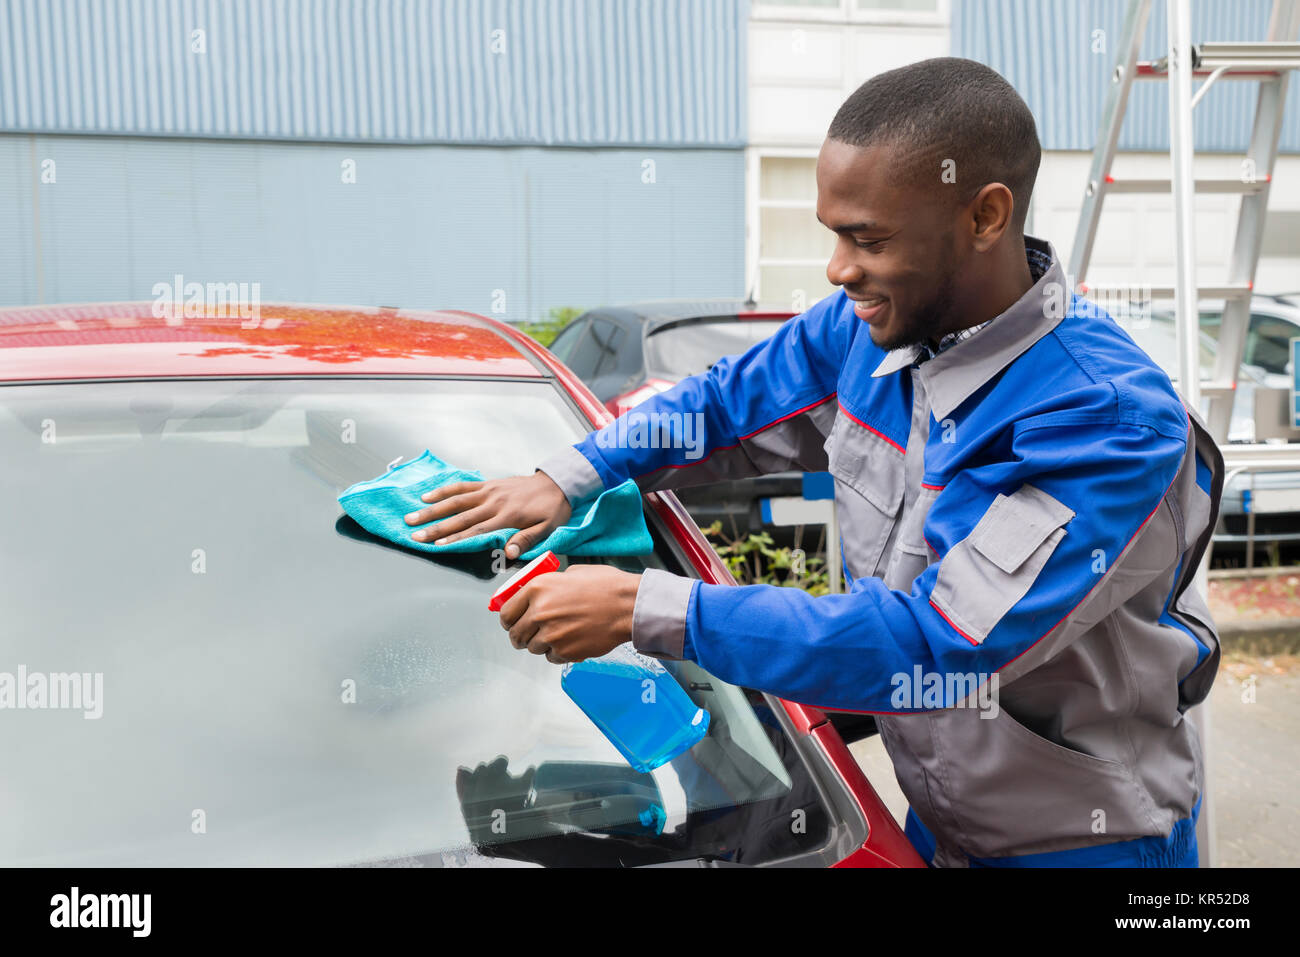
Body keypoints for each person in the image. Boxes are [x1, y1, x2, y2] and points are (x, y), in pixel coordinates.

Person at [403, 57, 1224, 868]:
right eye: (834, 233)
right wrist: (568, 477)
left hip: (1084, 845)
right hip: (936, 820)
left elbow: (939, 649)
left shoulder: (1104, 421)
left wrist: (648, 608)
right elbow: (723, 408)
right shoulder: (866, 331)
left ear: (984, 218)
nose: (837, 269)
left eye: (867, 238)